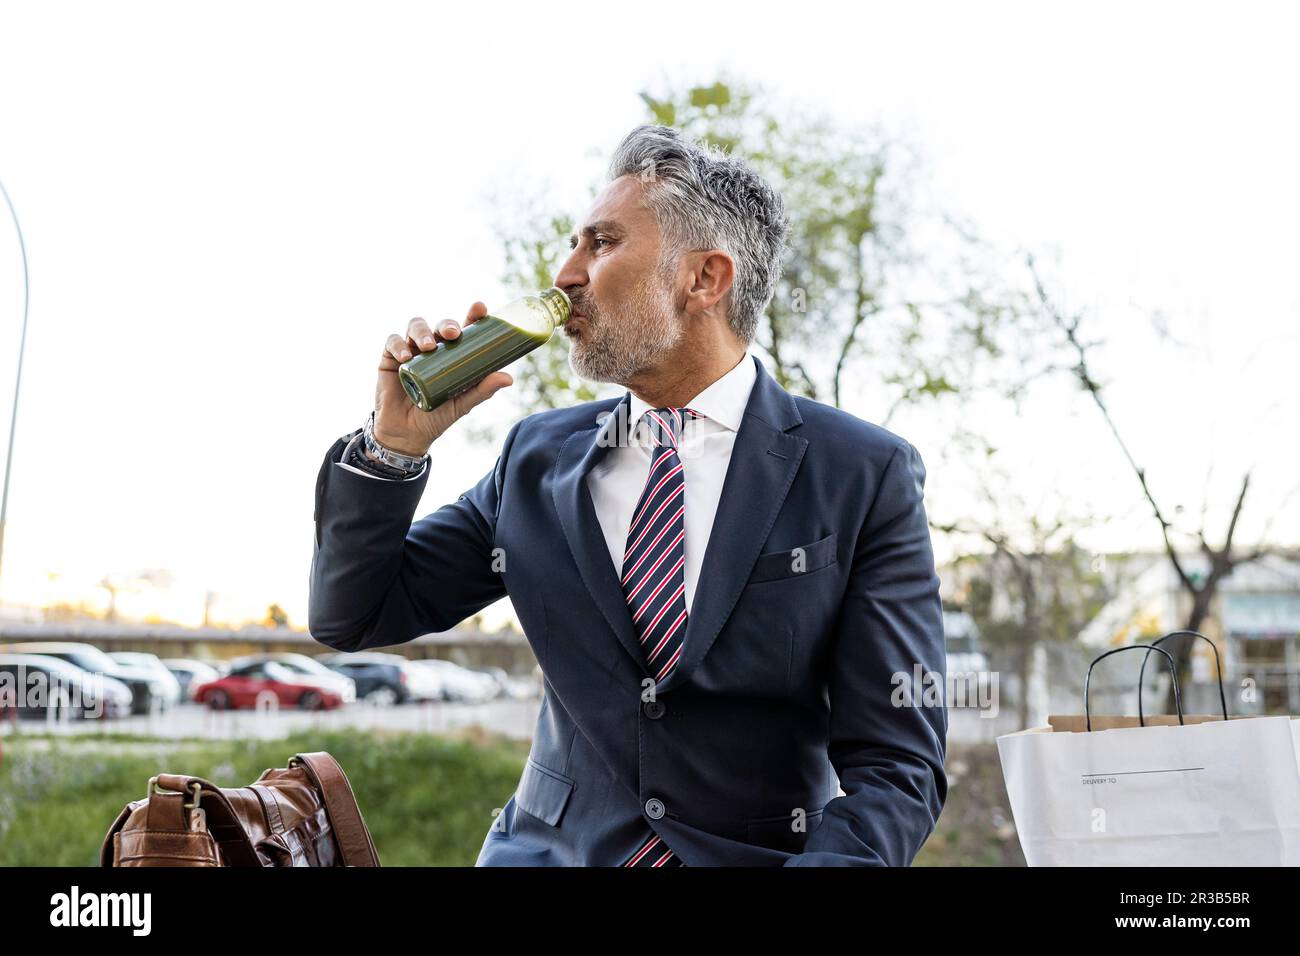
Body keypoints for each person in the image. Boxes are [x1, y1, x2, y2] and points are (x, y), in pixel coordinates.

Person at [308, 124, 948, 866]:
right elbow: (353, 614)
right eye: (575, 244)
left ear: (705, 279)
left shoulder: (863, 474)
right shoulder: (534, 460)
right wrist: (395, 445)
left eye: (602, 244)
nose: (566, 274)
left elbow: (898, 766)